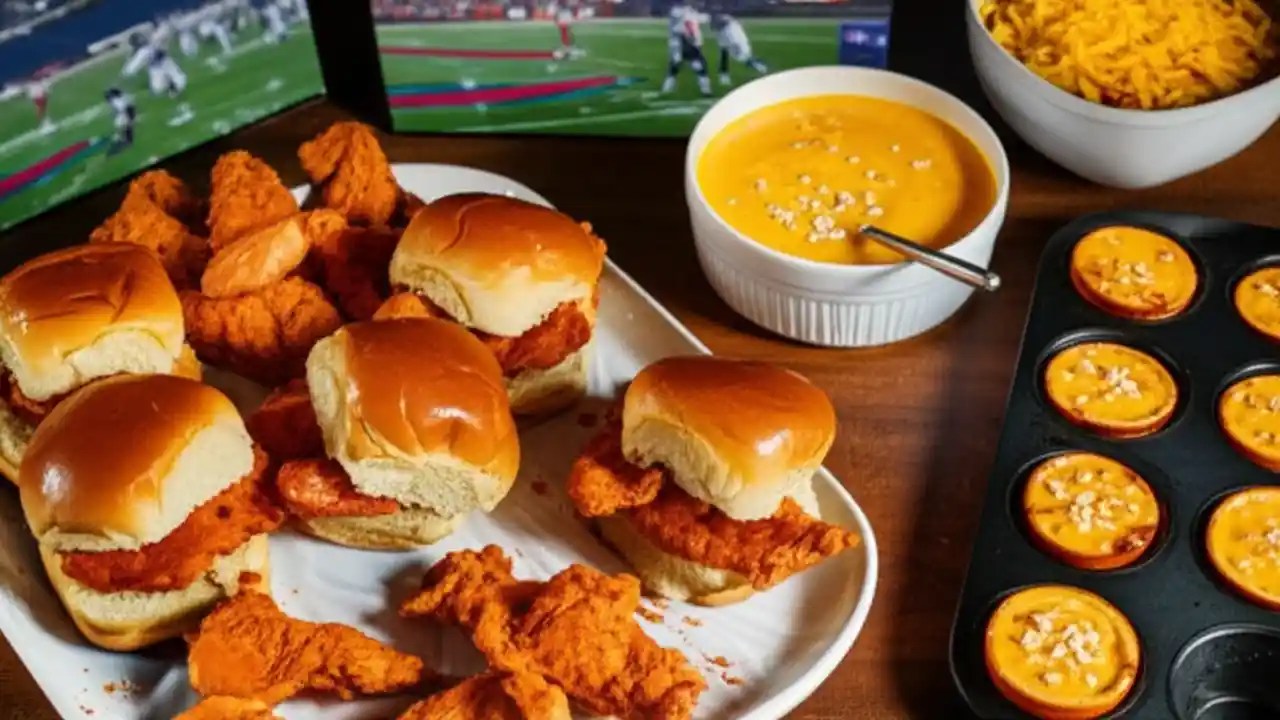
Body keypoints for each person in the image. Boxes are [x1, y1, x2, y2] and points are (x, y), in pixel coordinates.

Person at [661, 1, 711, 97]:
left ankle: (666, 90)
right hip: (686, 43)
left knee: (674, 67)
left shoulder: (681, 11)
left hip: (678, 43)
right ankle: (706, 91)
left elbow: (699, 19)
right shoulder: (684, 12)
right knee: (700, 66)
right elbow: (689, 24)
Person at [712, 12, 767, 86]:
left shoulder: (730, 28)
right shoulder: (729, 24)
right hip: (732, 40)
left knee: (742, 58)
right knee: (727, 55)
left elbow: (733, 38)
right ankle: (724, 75)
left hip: (736, 42)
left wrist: (736, 47)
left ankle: (760, 66)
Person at [104, 87, 137, 154]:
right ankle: (125, 140)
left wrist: (128, 117)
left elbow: (124, 108)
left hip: (127, 111)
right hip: (127, 110)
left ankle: (126, 141)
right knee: (123, 125)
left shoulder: (116, 101)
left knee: (124, 125)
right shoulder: (119, 98)